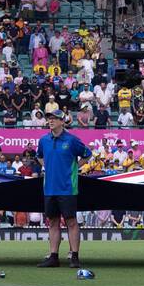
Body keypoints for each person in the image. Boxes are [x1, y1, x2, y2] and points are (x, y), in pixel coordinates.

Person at [36, 111, 92, 268]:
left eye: (54, 118)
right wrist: (45, 165)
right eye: (49, 118)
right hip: (49, 188)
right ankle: (53, 256)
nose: (50, 121)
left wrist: (75, 167)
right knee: (53, 222)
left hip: (67, 188)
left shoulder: (72, 140)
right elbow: (39, 156)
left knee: (71, 222)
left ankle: (74, 256)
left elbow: (87, 154)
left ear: (63, 121)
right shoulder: (44, 140)